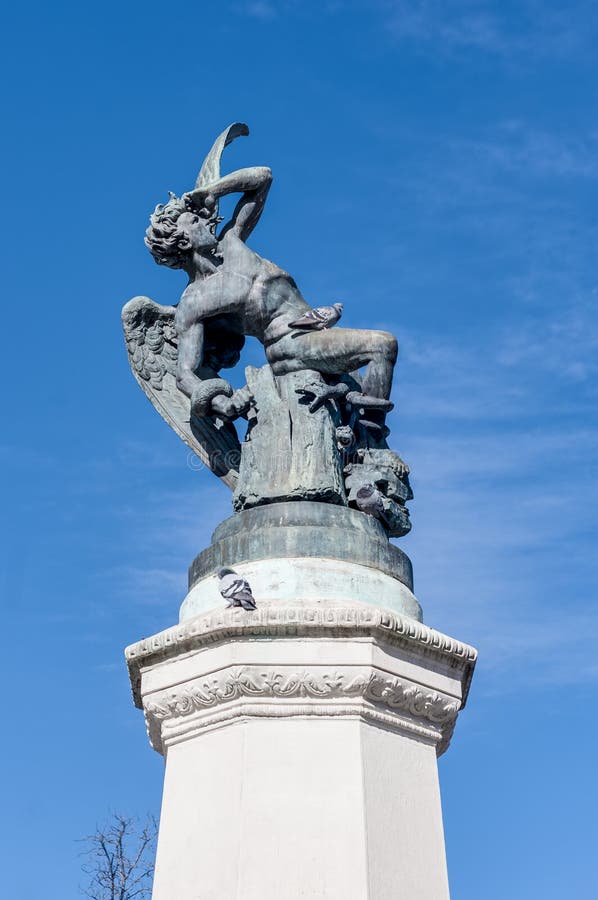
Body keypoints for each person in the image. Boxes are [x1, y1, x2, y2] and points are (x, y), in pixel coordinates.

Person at [145, 150, 398, 422]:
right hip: (289, 345)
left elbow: (263, 178)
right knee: (382, 345)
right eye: (195, 221)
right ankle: (374, 442)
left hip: (315, 335)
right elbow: (186, 374)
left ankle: (366, 439)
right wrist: (222, 403)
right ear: (183, 242)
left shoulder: (232, 241)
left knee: (355, 393)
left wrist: (213, 190)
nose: (206, 221)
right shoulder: (195, 301)